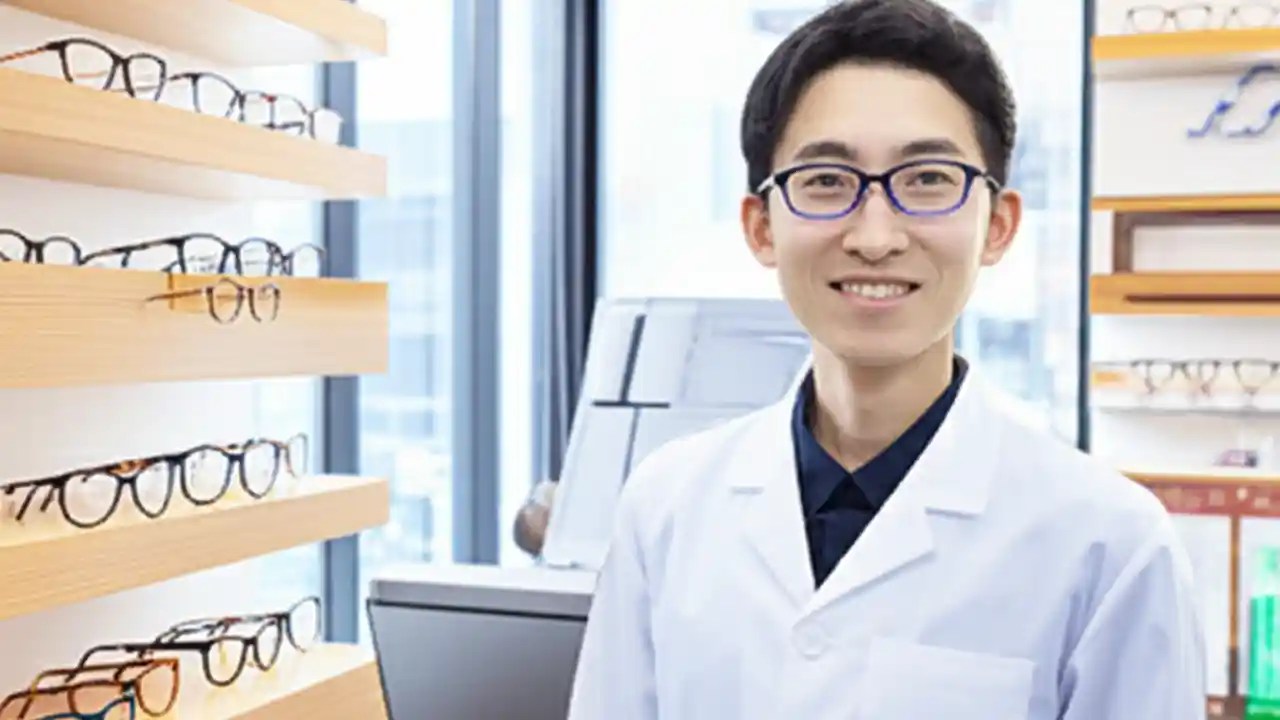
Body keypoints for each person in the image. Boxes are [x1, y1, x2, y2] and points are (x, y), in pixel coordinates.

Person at [566, 1, 1207, 718]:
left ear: (998, 225)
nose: (875, 237)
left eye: (927, 179)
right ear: (761, 226)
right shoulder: (666, 509)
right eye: (827, 181)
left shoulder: (1109, 544)